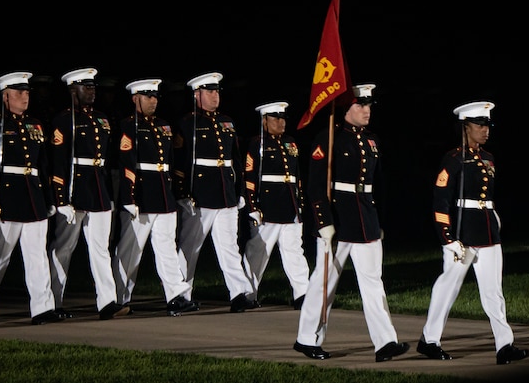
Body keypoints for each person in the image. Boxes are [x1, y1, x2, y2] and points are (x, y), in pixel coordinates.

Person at [294, 84, 410, 364]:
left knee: (373, 283)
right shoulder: (329, 138)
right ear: (346, 109)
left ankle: (385, 343)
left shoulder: (372, 141)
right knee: (325, 283)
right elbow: (315, 186)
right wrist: (323, 221)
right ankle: (308, 338)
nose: (367, 110)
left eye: (369, 105)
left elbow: (377, 184)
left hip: (365, 219)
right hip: (338, 220)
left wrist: (377, 220)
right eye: (361, 105)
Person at [416, 101, 529, 365]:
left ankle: (504, 345)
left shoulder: (488, 158)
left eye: (487, 125)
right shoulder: (454, 159)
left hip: (487, 231)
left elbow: (486, 198)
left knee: (494, 292)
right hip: (462, 233)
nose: (485, 130)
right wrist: (447, 238)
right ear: (465, 127)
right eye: (480, 125)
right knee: (448, 287)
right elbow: (440, 200)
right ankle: (429, 340)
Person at [0, 72, 62, 325]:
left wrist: (49, 198)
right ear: (5, 96)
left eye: (27, 92)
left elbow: (43, 165)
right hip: (9, 195)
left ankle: (42, 307)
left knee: (37, 255)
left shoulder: (35, 124)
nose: (25, 97)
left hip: (34, 196)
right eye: (19, 93)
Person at [111, 78, 199, 316]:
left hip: (163, 193)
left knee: (167, 248)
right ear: (135, 99)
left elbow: (170, 161)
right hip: (141, 194)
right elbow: (127, 162)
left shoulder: (163, 125)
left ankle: (176, 296)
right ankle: (119, 298)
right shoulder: (128, 126)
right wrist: (129, 197)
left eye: (155, 96)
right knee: (130, 251)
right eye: (148, 96)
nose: (153, 101)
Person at [171, 71, 258, 312]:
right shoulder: (188, 123)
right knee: (190, 247)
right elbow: (179, 160)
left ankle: (239, 293)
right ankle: (180, 294)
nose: (215, 95)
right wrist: (182, 192)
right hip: (200, 194)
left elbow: (236, 160)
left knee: (229, 246)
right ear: (197, 94)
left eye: (217, 91)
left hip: (225, 193)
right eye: (210, 91)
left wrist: (239, 190)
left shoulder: (227, 122)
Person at [47, 67, 129, 320]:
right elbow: (57, 161)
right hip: (75, 189)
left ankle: (107, 302)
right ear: (73, 90)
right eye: (86, 87)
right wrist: (60, 198)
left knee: (100, 249)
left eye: (93, 86)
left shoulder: (102, 119)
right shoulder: (63, 120)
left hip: (98, 189)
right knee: (64, 248)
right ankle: (52, 301)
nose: (92, 91)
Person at [242, 101, 310, 309]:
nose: (281, 122)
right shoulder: (257, 144)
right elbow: (249, 176)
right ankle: (247, 294)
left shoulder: (291, 143)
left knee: (294, 253)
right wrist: (253, 206)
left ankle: (303, 294)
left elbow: (296, 176)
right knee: (258, 253)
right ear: (265, 121)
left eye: (283, 118)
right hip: (268, 208)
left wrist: (299, 204)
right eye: (276, 118)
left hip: (289, 207)